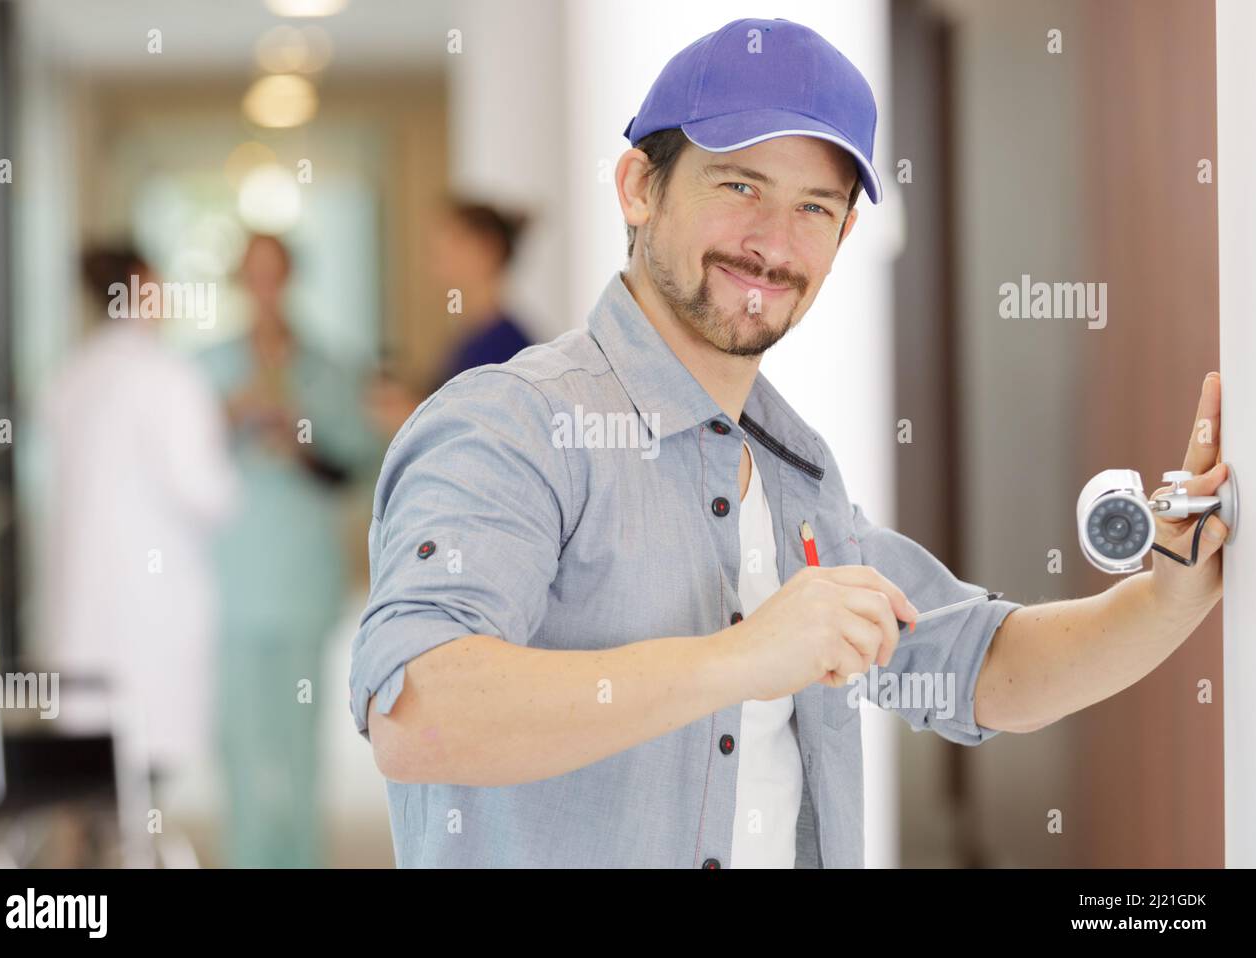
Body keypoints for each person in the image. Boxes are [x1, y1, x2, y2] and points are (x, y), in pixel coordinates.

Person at [349, 18, 1228, 868]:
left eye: (814, 206)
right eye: (740, 186)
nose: (772, 243)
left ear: (845, 235)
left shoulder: (795, 475)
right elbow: (419, 711)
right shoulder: (511, 425)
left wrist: (1170, 598)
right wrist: (740, 657)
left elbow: (980, 670)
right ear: (639, 188)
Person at [36, 245, 238, 833]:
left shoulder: (72, 374)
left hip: (86, 608)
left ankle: (100, 859)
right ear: (142, 287)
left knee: (98, 761)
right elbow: (208, 493)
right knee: (143, 762)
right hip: (152, 607)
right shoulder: (168, 376)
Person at [200, 233, 381, 868]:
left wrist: (300, 443)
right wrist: (228, 419)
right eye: (254, 275)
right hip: (233, 582)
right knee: (242, 745)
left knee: (301, 746)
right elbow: (181, 470)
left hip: (303, 582)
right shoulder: (208, 369)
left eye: (275, 274)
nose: (265, 289)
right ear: (239, 282)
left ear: (291, 279)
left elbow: (360, 464)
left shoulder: (330, 367)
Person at [364, 198, 534, 435]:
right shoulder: (468, 339)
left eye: (450, 246)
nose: (437, 261)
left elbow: (481, 436)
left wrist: (411, 416)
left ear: (487, 250)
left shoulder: (507, 347)